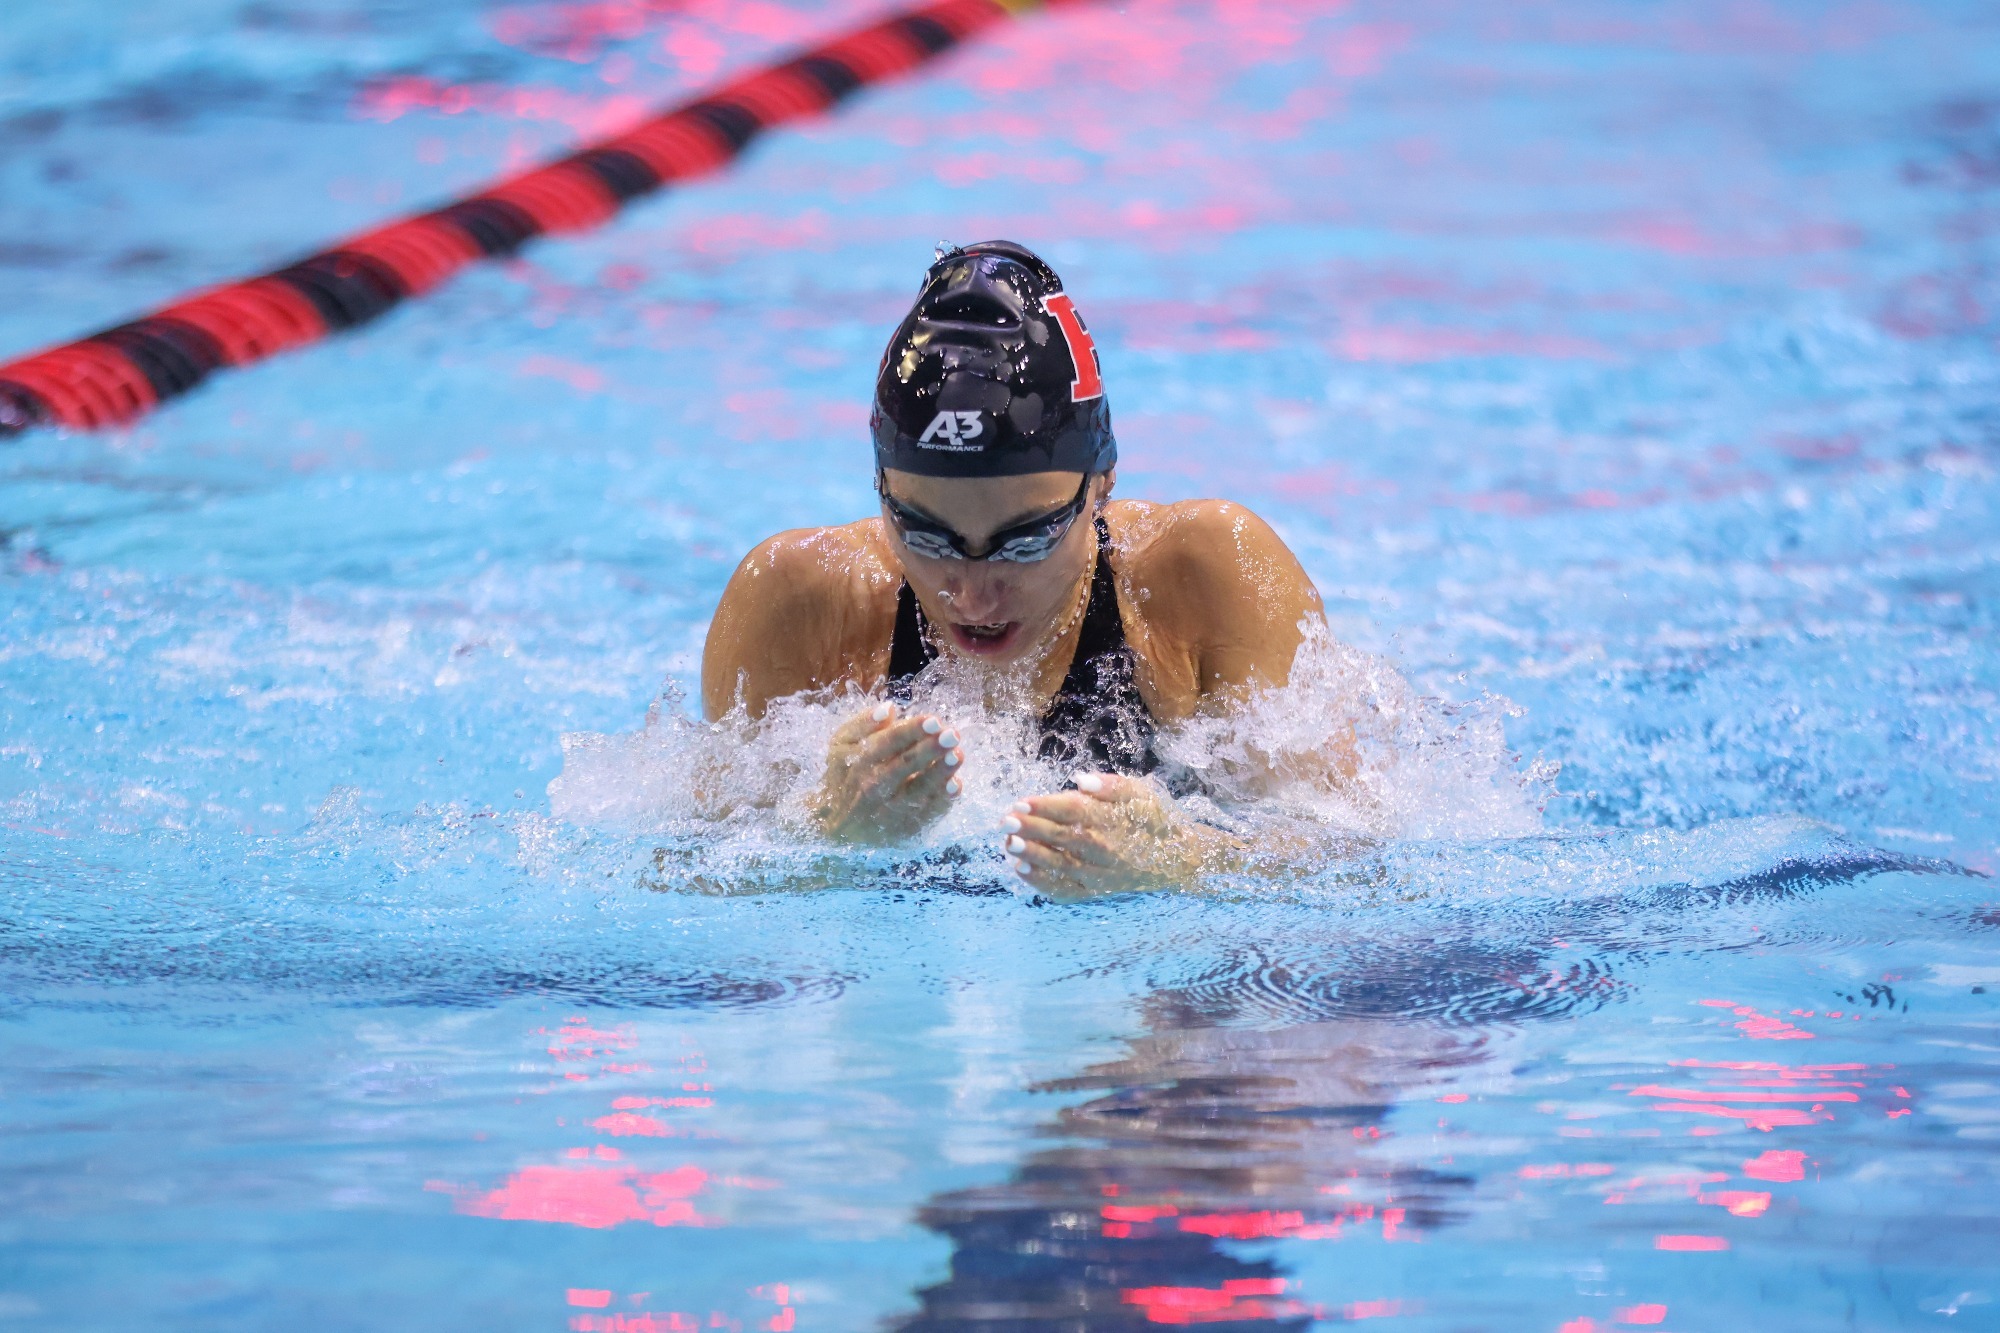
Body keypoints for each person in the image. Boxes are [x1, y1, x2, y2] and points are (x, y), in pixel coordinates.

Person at [701, 241, 1337, 895]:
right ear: (879, 487)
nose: (971, 597)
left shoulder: (1205, 576)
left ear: (1101, 484)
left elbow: (1361, 863)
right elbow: (680, 879)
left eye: (1023, 542)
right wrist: (826, 829)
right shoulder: (798, 600)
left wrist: (1187, 859)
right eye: (926, 535)